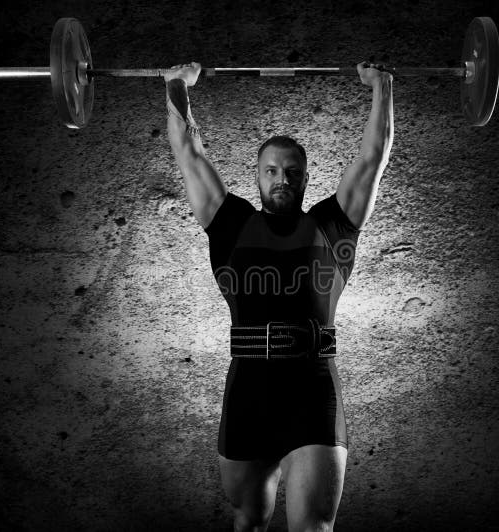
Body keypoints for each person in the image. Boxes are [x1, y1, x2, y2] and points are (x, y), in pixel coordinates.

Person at [164, 60, 392, 532]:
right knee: (248, 520)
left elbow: (373, 157)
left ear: (307, 178)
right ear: (258, 177)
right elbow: (187, 150)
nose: (282, 179)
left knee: (313, 529)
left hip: (313, 388)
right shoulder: (231, 226)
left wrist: (382, 86)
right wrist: (176, 85)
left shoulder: (332, 225)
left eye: (292, 172)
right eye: (272, 171)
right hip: (250, 387)